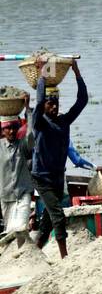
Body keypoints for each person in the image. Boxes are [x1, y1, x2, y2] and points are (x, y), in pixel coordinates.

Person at [30, 61, 89, 258]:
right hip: (42, 178)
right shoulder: (39, 123)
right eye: (49, 103)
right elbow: (37, 104)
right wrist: (42, 75)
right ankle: (65, 257)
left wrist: (77, 72)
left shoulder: (63, 121)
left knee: (46, 223)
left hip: (57, 178)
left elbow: (82, 101)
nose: (53, 107)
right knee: (58, 216)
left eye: (55, 103)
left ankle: (35, 254)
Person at [0, 97, 35, 247]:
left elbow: (32, 135)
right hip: (6, 196)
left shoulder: (23, 145)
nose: (12, 131)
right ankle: (12, 256)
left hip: (23, 193)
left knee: (21, 228)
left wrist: (28, 110)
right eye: (8, 128)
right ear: (2, 129)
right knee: (9, 232)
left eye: (14, 127)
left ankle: (21, 254)